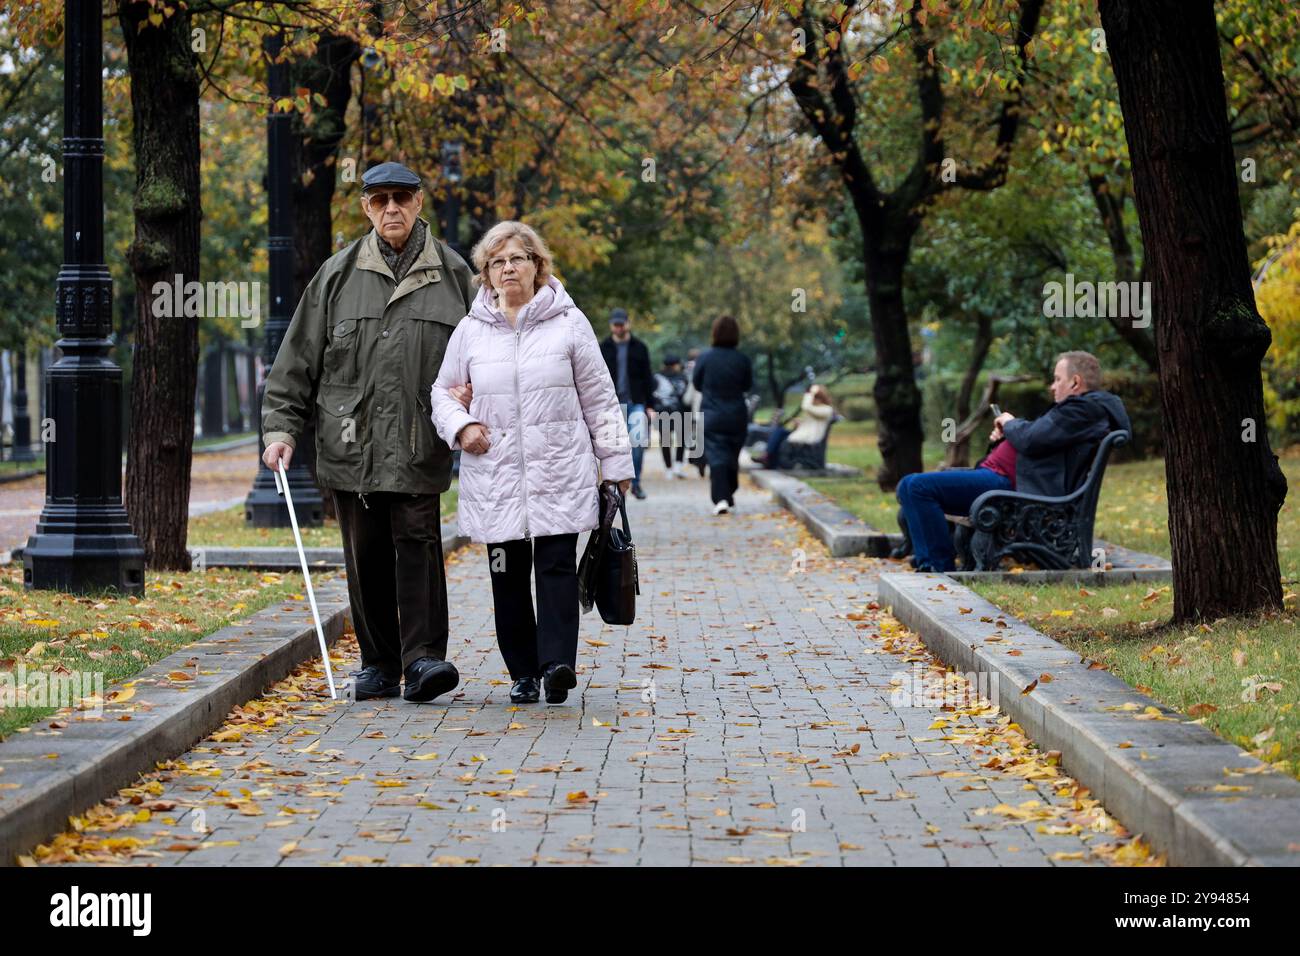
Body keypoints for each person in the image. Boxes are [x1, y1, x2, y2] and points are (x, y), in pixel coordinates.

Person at [261, 161, 474, 703]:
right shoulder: (336, 277)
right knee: (366, 553)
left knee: (419, 545)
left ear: (419, 202)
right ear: (366, 208)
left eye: (401, 197)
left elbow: (487, 354)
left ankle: (423, 658)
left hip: (419, 440)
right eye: (380, 200)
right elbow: (296, 363)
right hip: (350, 444)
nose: (392, 209)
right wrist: (281, 429)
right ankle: (378, 664)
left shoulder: (454, 276)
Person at [430, 221, 633, 706]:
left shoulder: (570, 323)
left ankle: (557, 664)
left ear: (537, 265)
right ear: (485, 274)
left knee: (557, 566)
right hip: (496, 475)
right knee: (506, 574)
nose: (507, 269)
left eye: (517, 259)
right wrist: (462, 426)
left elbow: (601, 399)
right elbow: (440, 392)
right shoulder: (470, 331)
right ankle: (522, 672)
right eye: (496, 262)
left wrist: (617, 463)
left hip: (558, 470)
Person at [895, 350, 1131, 572]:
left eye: (1058, 379)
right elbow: (1036, 437)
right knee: (909, 485)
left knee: (917, 487)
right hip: (1000, 479)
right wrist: (1008, 434)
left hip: (1011, 488)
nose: (1052, 386)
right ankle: (933, 562)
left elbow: (1030, 439)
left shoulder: (1082, 410)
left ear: (1075, 382)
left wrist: (1009, 423)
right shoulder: (1079, 410)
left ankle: (937, 566)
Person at [692, 315, 753, 514]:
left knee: (717, 456)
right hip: (736, 415)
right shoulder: (742, 359)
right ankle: (729, 491)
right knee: (732, 455)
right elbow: (747, 385)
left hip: (712, 414)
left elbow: (696, 384)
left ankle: (721, 499)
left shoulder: (705, 358)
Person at [600, 308, 654, 499]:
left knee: (637, 443)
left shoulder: (639, 347)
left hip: (636, 402)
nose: (618, 327)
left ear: (627, 324)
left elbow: (648, 377)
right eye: (615, 324)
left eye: (621, 324)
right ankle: (616, 485)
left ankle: (636, 483)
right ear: (611, 325)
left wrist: (650, 405)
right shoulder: (603, 348)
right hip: (611, 405)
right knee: (613, 446)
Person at [758, 383, 835, 468]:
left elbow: (806, 407)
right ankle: (767, 457)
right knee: (779, 432)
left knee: (781, 437)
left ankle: (768, 459)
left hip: (808, 438)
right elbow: (812, 423)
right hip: (801, 433)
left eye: (815, 397)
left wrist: (811, 392)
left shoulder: (826, 409)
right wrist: (800, 424)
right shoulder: (816, 408)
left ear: (821, 398)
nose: (813, 399)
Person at [653, 354, 689, 478]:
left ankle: (668, 468)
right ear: (676, 365)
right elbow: (686, 395)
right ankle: (678, 466)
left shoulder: (657, 377)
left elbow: (653, 394)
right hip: (680, 411)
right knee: (681, 439)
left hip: (662, 411)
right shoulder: (682, 377)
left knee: (665, 441)